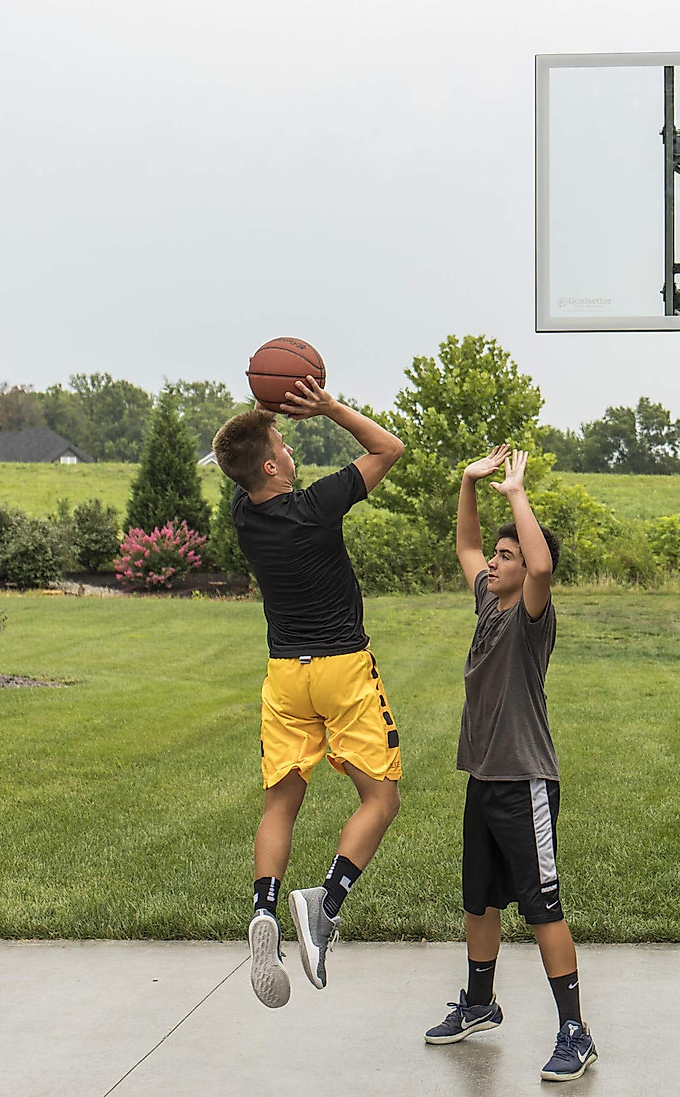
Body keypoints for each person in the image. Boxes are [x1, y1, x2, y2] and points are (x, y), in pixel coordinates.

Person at [211, 377, 404, 1009]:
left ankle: (264, 909)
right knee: (380, 797)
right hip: (342, 669)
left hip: (285, 676)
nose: (292, 449)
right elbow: (387, 448)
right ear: (272, 465)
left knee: (280, 804)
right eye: (284, 444)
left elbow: (237, 455)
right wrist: (326, 406)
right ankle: (327, 901)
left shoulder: (244, 513)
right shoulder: (319, 505)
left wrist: (264, 411)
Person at [424, 444, 598, 1083]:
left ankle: (574, 1033)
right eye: (497, 556)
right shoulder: (488, 601)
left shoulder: (531, 614)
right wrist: (468, 483)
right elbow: (467, 547)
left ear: (524, 572)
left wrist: (517, 495)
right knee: (478, 901)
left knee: (542, 908)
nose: (492, 562)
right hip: (484, 781)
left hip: (525, 783)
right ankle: (478, 1003)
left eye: (506, 556)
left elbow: (544, 565)